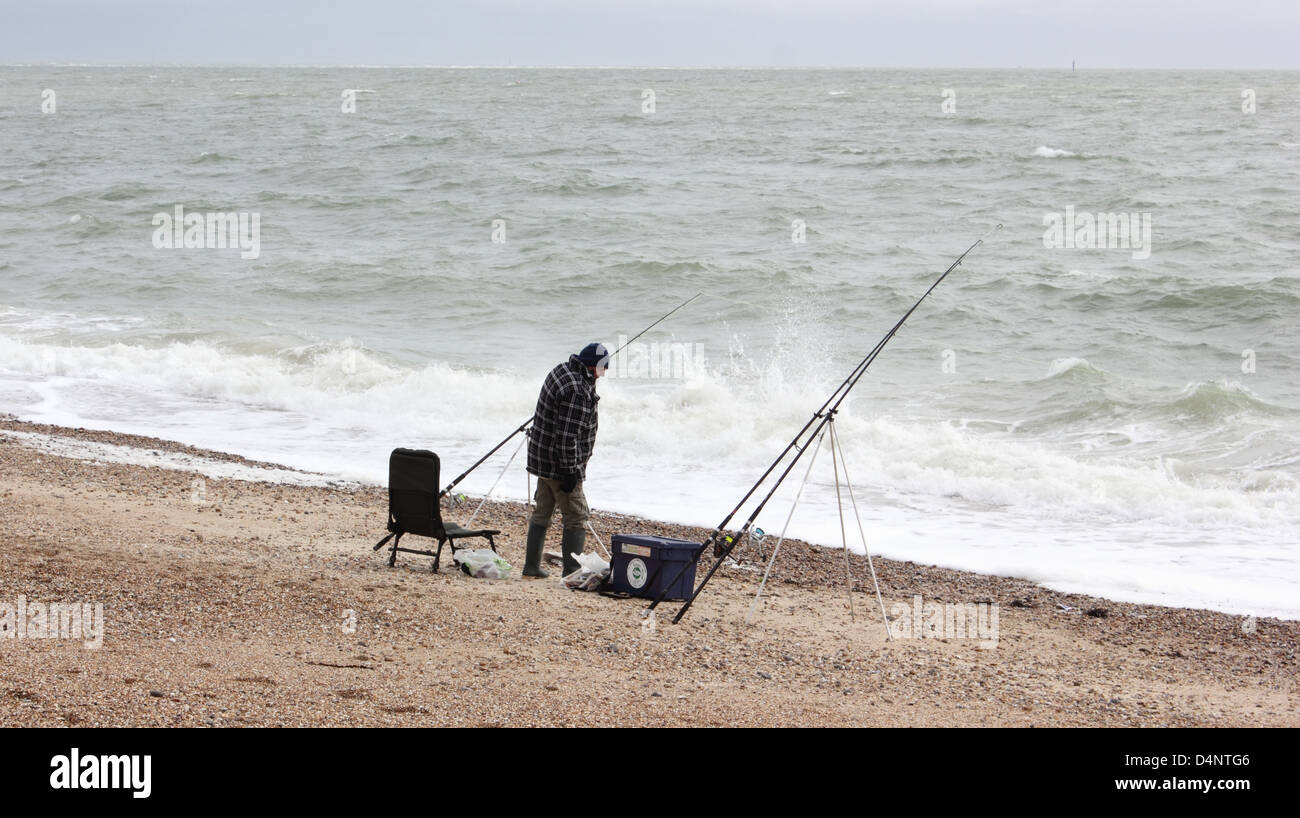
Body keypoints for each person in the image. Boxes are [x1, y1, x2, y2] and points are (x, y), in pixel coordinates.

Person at [522, 342, 609, 578]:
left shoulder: (562, 370)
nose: (604, 374)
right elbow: (567, 436)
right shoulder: (577, 391)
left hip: (543, 460)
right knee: (577, 518)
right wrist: (571, 471)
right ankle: (571, 571)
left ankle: (531, 567)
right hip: (560, 465)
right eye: (603, 369)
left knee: (543, 512)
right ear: (593, 367)